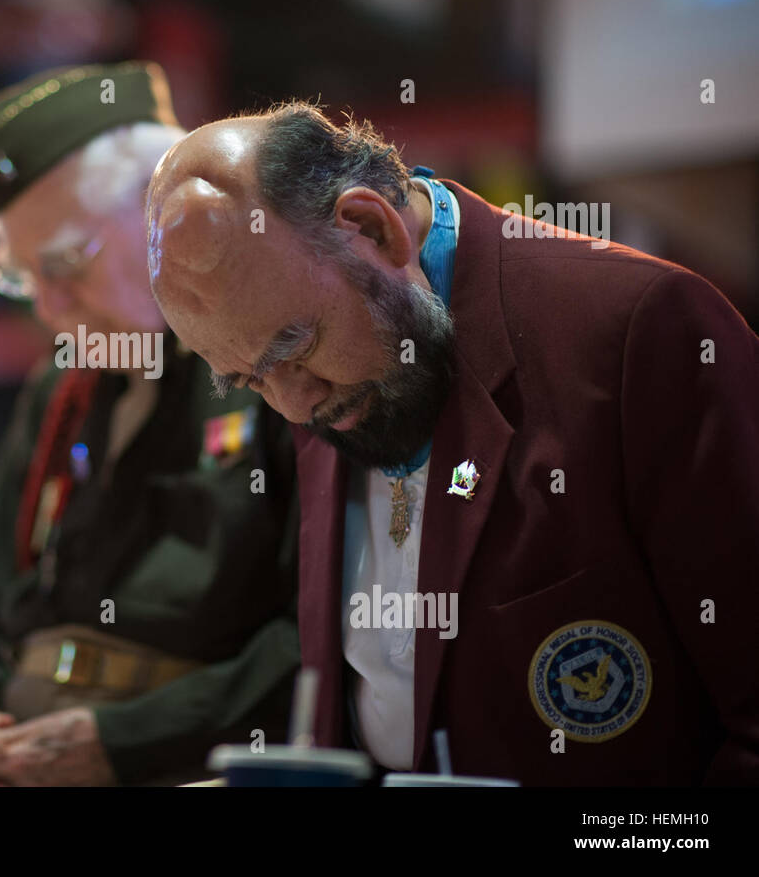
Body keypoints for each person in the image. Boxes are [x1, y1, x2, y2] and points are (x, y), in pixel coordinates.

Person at [145, 101, 759, 785]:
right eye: (247, 378)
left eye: (296, 349)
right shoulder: (317, 347)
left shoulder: (641, 331)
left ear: (370, 227)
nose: (295, 403)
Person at [0, 61, 300, 786]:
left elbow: (313, 634)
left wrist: (127, 739)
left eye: (68, 262)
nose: (47, 305)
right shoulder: (60, 390)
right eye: (20, 275)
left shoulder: (273, 365)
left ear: (162, 212)